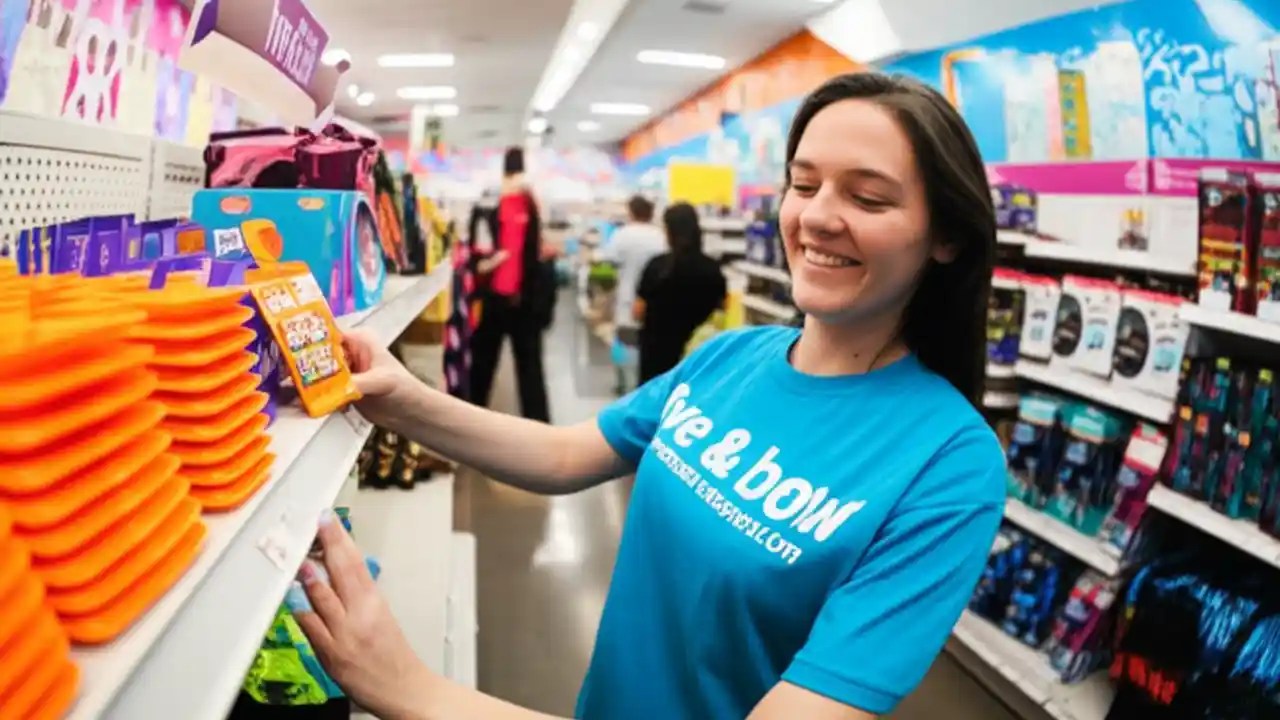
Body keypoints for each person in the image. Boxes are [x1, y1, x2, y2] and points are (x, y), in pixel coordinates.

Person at [292, 72, 1003, 720]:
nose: (816, 217)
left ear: (945, 236)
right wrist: (399, 396)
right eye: (804, 183)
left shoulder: (949, 463)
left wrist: (414, 692)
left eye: (868, 196)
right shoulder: (732, 358)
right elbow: (569, 453)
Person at [468, 146, 552, 422]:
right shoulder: (521, 202)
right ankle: (539, 427)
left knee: (486, 364)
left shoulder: (507, 201)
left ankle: (469, 420)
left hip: (506, 296)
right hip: (511, 296)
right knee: (524, 368)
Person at [633, 203, 727, 383]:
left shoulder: (657, 267)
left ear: (668, 232)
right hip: (699, 356)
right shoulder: (712, 270)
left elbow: (638, 311)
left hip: (656, 357)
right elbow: (721, 312)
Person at [605, 195, 666, 393]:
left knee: (625, 342)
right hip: (654, 302)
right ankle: (646, 388)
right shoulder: (661, 236)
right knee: (649, 347)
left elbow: (610, 260)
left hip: (627, 298)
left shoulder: (622, 234)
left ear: (631, 212)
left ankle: (624, 384)